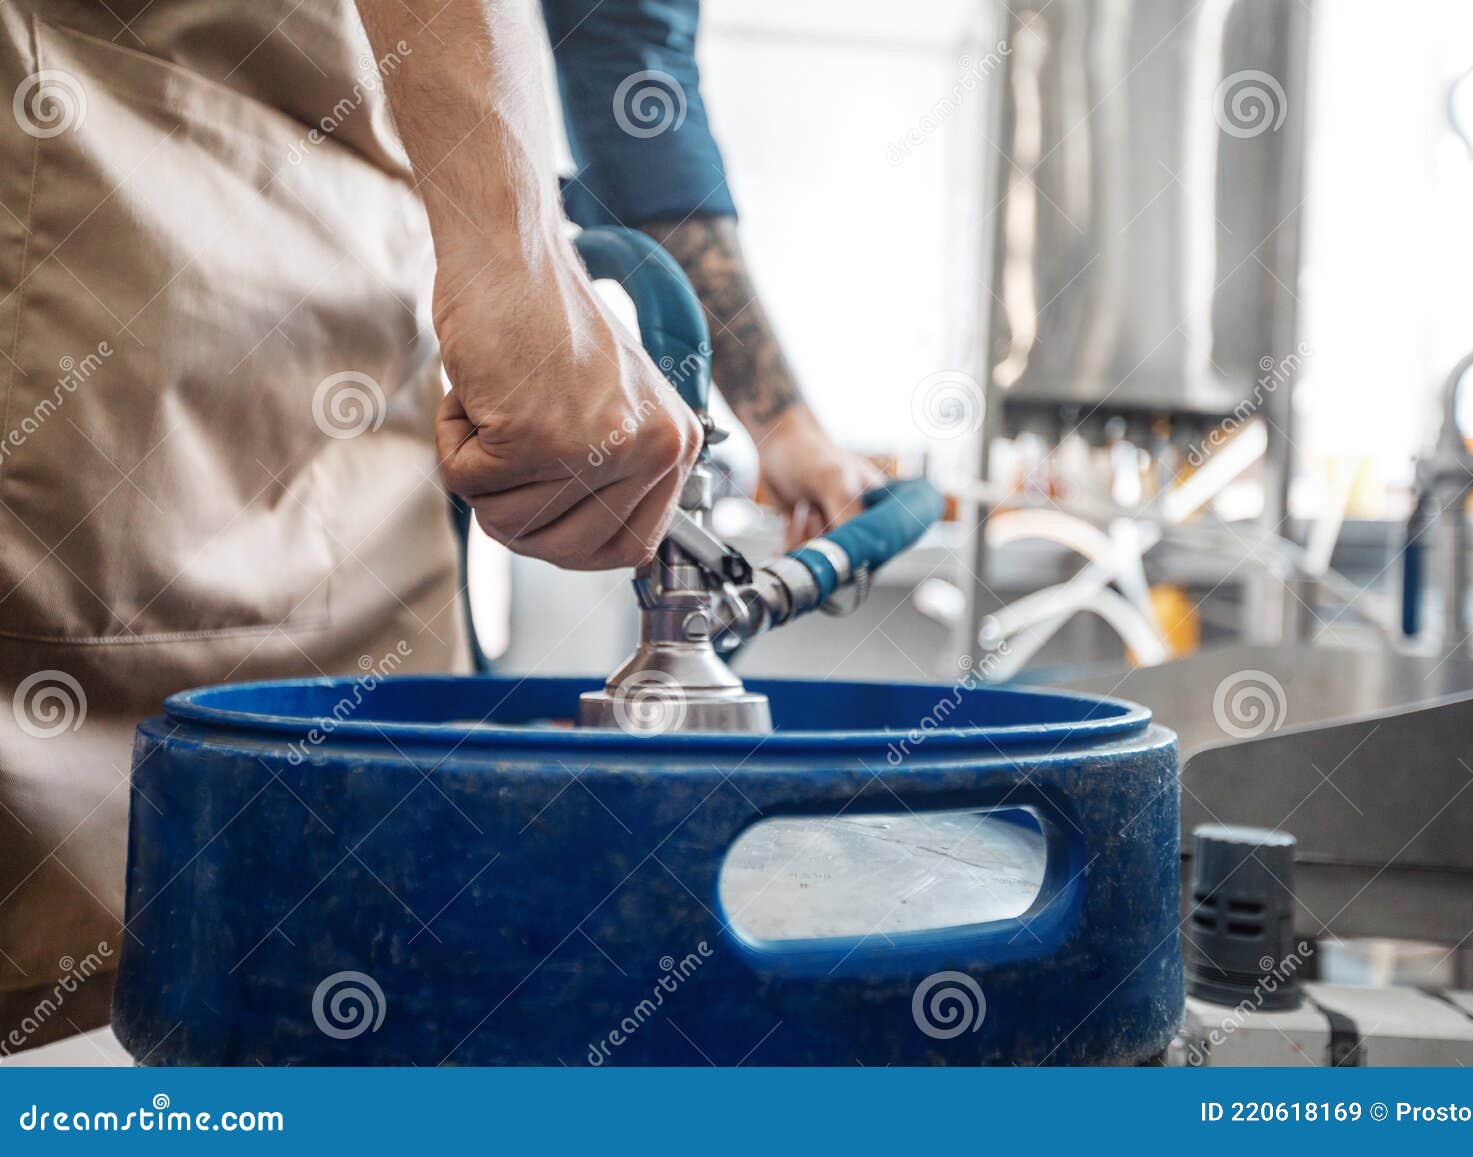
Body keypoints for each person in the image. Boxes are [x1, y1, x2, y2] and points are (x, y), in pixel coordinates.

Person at [0, 0, 875, 1049]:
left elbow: (628, 56)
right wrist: (519, 259)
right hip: (112, 235)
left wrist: (781, 418)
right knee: (85, 967)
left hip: (379, 340)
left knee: (372, 934)